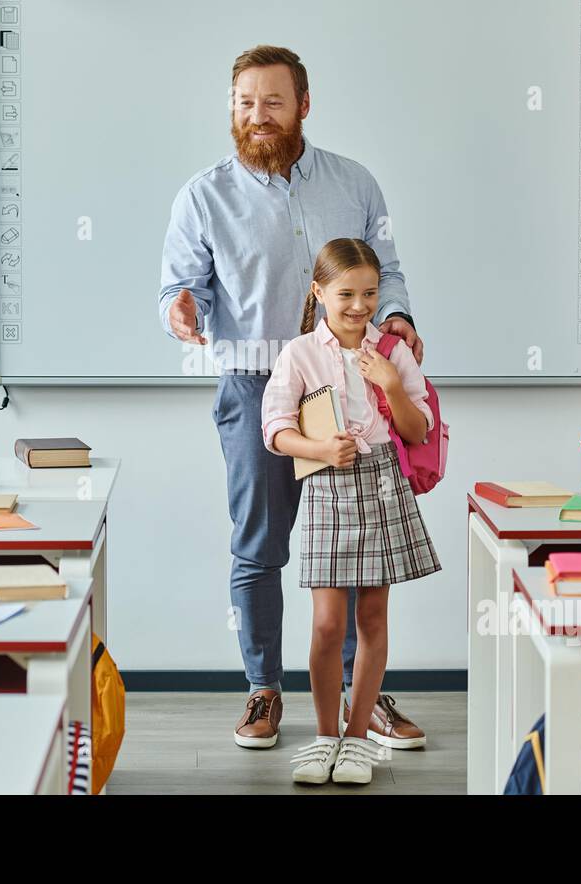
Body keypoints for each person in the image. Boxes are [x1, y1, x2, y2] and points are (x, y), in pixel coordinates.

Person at [159, 44, 429, 749]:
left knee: (357, 549)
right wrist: (179, 310)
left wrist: (396, 317)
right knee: (260, 545)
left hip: (350, 383)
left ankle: (359, 696)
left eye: (273, 102)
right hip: (255, 386)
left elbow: (388, 271)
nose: (258, 116)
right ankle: (264, 691)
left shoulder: (356, 182)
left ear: (304, 105)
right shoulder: (202, 195)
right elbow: (177, 288)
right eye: (244, 103)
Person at [262, 239, 441, 784]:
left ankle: (358, 739)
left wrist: (391, 382)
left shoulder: (394, 350)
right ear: (319, 293)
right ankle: (323, 737)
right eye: (346, 294)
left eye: (369, 293)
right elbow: (274, 429)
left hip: (383, 482)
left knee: (373, 617)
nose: (359, 306)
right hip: (327, 485)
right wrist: (319, 450)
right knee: (326, 622)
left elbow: (418, 431)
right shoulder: (298, 353)